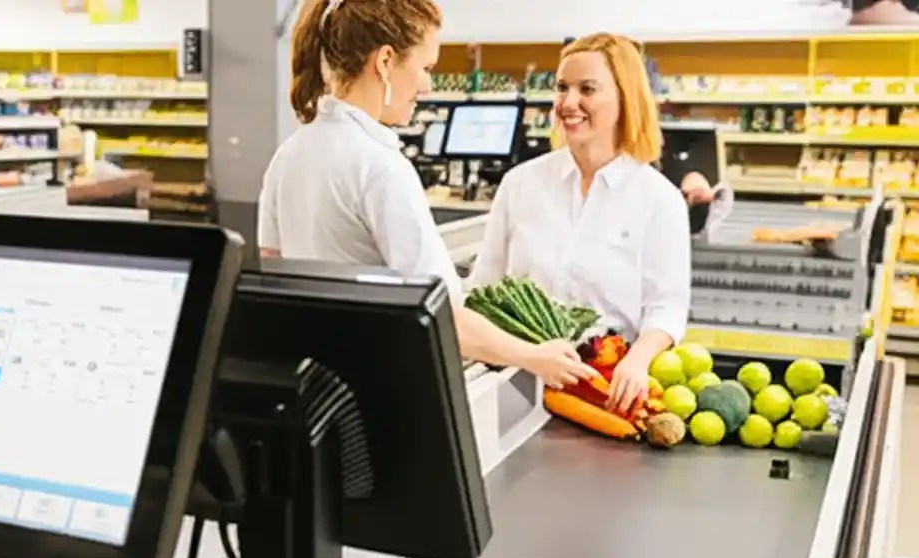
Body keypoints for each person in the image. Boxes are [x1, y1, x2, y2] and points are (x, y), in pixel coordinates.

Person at [258, 0, 597, 389]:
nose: (427, 85)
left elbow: (274, 271)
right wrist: (534, 355)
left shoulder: (290, 153)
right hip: (381, 382)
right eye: (425, 68)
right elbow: (442, 314)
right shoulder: (381, 167)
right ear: (385, 60)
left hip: (320, 382)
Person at [468, 32, 692, 415]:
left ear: (625, 97)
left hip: (606, 390)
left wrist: (637, 362)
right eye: (562, 88)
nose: (569, 103)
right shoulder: (521, 184)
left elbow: (666, 309)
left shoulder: (659, 200)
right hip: (516, 389)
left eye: (587, 88)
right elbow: (482, 289)